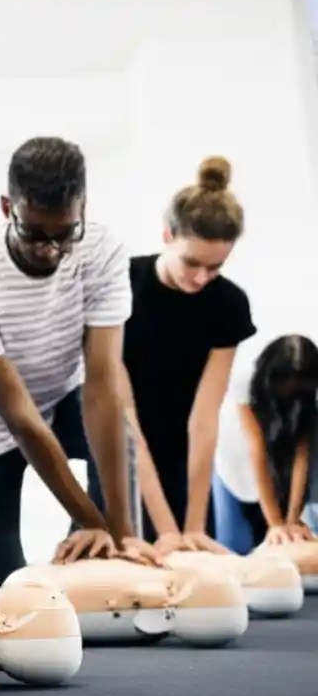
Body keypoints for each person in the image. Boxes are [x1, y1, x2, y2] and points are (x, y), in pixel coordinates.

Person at [0, 135, 161, 597]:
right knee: (1, 587)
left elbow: (103, 387)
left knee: (114, 538)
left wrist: (119, 535)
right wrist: (88, 518)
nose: (52, 250)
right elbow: (20, 418)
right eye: (35, 234)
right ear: (7, 208)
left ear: (83, 209)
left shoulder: (100, 250)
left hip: (64, 398)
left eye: (65, 233)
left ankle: (105, 543)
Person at [119, 157, 255, 554]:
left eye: (215, 267)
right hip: (121, 451)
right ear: (166, 235)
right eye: (191, 262)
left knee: (193, 561)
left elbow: (204, 419)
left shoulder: (228, 304)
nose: (200, 278)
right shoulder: (123, 285)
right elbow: (124, 420)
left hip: (187, 457)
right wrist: (165, 530)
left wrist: (192, 528)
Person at [212, 335, 318, 553]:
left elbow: (302, 454)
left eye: (298, 386)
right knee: (234, 547)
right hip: (235, 461)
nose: (290, 390)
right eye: (285, 384)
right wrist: (276, 524)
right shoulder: (244, 380)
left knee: (289, 538)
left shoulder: (309, 391)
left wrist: (291, 520)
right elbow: (257, 448)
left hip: (281, 466)